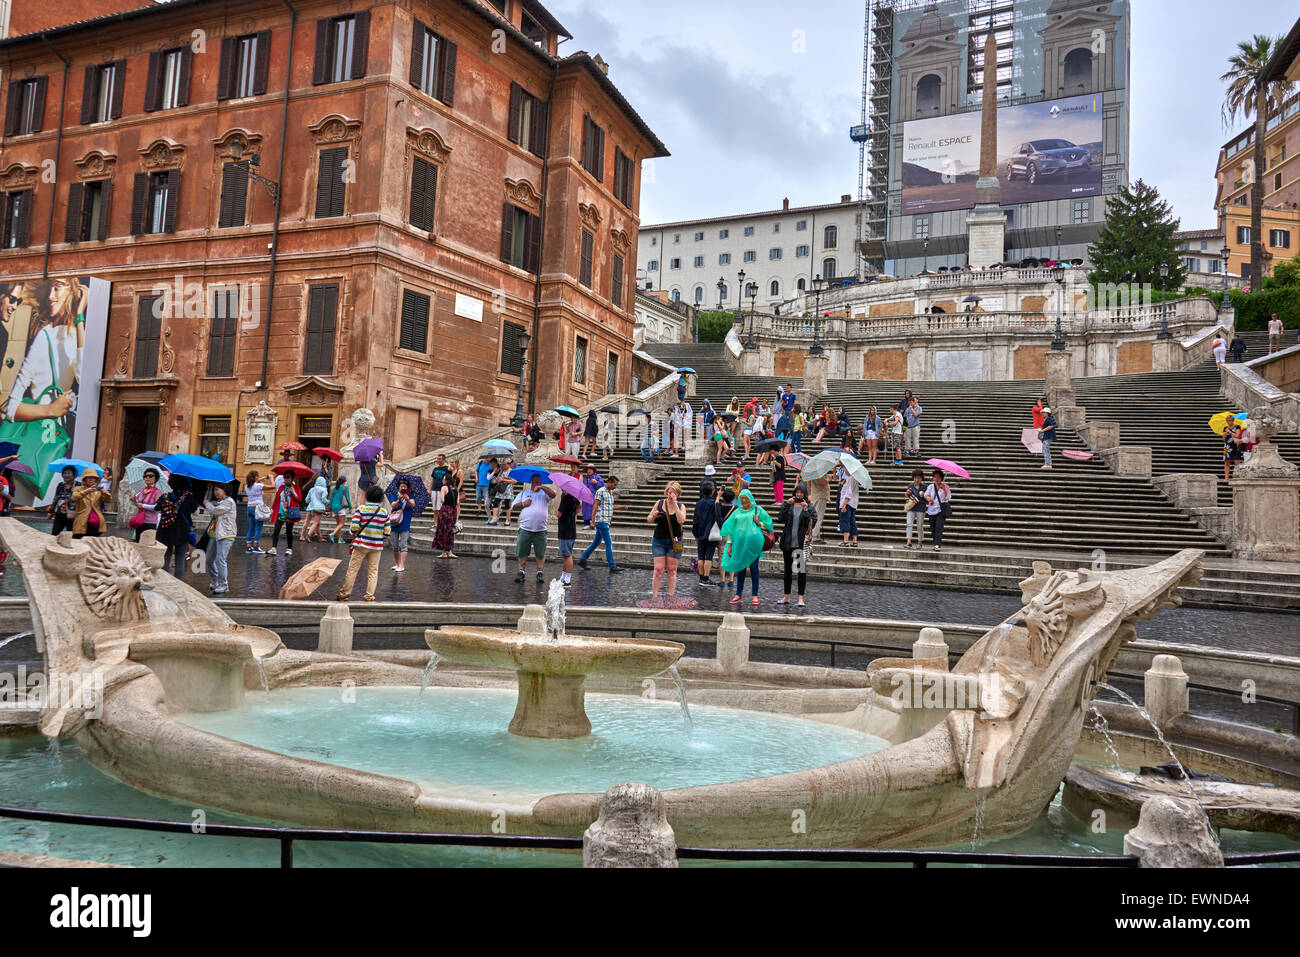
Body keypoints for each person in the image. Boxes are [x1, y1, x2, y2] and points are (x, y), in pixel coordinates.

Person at [337, 485, 392, 603]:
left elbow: (354, 527)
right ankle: (369, 596)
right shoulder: (384, 513)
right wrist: (377, 536)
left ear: (367, 496)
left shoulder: (361, 509)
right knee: (373, 571)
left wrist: (354, 533)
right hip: (376, 546)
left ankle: (344, 594)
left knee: (353, 569)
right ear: (381, 498)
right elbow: (387, 533)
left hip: (361, 544)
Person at [721, 489, 772, 607]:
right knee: (740, 569)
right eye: (742, 498)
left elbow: (768, 525)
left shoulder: (757, 510)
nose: (744, 500)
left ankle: (755, 595)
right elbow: (731, 530)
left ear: (750, 498)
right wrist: (729, 545)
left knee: (754, 569)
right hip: (739, 545)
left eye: (746, 498)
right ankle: (738, 594)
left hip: (753, 545)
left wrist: (759, 523)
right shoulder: (737, 511)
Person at [777, 483, 815, 607]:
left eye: (801, 493)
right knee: (787, 570)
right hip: (788, 542)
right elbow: (780, 518)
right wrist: (786, 504)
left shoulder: (809, 507)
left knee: (801, 571)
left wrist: (805, 510)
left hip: (800, 543)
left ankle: (800, 598)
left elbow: (811, 522)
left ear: (805, 494)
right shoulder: (790, 504)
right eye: (797, 492)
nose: (799, 494)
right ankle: (786, 596)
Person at [512, 474, 556, 583]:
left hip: (540, 529)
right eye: (536, 481)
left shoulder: (544, 494)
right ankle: (521, 571)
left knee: (540, 553)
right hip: (525, 528)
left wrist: (543, 487)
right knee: (522, 551)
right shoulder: (523, 493)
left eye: (539, 482)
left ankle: (539, 572)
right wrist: (523, 504)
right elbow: (513, 506)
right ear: (531, 482)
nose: (537, 483)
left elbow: (554, 494)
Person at [579, 474, 626, 573]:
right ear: (609, 482)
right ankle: (612, 565)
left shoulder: (610, 492)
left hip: (606, 521)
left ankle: (583, 560)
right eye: (615, 484)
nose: (615, 486)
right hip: (601, 521)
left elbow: (609, 506)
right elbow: (595, 506)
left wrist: (621, 507)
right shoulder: (600, 491)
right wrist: (592, 521)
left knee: (596, 542)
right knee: (608, 543)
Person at [648, 481, 687, 597]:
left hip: (675, 542)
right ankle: (654, 596)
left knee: (672, 570)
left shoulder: (681, 506)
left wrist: (675, 504)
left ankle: (671, 596)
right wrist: (653, 516)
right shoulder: (660, 503)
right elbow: (649, 519)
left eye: (673, 493)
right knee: (658, 569)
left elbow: (681, 520)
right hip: (659, 540)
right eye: (669, 492)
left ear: (678, 494)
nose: (670, 495)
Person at [156, 477, 196, 578]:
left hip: (165, 531)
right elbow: (194, 511)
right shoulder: (188, 497)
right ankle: (178, 584)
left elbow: (156, 507)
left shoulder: (165, 496)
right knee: (180, 560)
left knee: (165, 558)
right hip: (182, 532)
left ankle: (164, 582)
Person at [203, 483, 237, 594]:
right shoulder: (218, 502)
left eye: (217, 490)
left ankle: (224, 584)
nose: (215, 492)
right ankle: (215, 580)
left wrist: (207, 504)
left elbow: (214, 510)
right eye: (214, 490)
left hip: (226, 534)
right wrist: (207, 493)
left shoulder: (229, 502)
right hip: (215, 534)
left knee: (220, 559)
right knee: (208, 559)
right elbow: (211, 505)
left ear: (225, 490)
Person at [692, 480, 722, 586]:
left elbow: (695, 520)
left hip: (700, 532)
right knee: (708, 556)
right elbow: (718, 516)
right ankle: (706, 578)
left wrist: (695, 533)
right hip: (711, 533)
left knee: (701, 556)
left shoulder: (698, 503)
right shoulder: (714, 503)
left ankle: (701, 578)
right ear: (713, 491)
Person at [433, 458, 462, 558]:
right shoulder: (455, 490)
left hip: (445, 510)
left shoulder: (444, 488)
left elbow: (442, 500)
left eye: (443, 478)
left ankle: (444, 553)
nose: (442, 480)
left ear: (446, 480)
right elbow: (458, 502)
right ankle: (450, 551)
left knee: (443, 530)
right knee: (450, 531)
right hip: (453, 511)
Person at [383, 478, 414, 572]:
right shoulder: (394, 495)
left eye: (405, 487)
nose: (403, 488)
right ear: (398, 488)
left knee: (403, 544)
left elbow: (413, 505)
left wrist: (407, 499)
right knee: (395, 545)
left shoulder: (411, 495)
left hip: (405, 522)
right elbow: (393, 506)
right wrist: (399, 500)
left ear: (408, 488)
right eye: (401, 487)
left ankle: (402, 565)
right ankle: (397, 564)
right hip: (394, 522)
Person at [556, 476, 581, 588]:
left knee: (567, 555)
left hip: (565, 529)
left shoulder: (566, 498)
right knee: (566, 554)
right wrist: (572, 514)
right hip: (571, 528)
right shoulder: (574, 497)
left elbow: (559, 514)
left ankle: (568, 579)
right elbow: (579, 507)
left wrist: (558, 511)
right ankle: (564, 576)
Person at [267, 475, 302, 555]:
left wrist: (293, 491)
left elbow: (299, 499)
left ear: (292, 478)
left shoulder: (296, 487)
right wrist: (272, 509)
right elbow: (277, 499)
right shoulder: (281, 487)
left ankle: (289, 548)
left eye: (288, 477)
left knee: (289, 531)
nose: (286, 479)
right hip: (281, 512)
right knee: (276, 530)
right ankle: (274, 548)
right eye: (285, 477)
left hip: (290, 512)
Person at [130, 467, 164, 542]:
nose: (147, 477)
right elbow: (137, 504)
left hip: (150, 522)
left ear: (156, 479)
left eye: (151, 476)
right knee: (138, 542)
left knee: (147, 545)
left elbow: (157, 507)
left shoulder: (157, 492)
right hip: (140, 521)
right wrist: (134, 501)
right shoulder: (142, 491)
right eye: (146, 476)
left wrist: (143, 506)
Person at [70, 468, 105, 539]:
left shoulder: (98, 490)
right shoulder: (78, 488)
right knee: (77, 542)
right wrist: (87, 491)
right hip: (81, 522)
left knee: (92, 543)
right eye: (89, 477)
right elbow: (74, 497)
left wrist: (106, 493)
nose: (91, 479)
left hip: (95, 522)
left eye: (93, 478)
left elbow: (108, 500)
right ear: (84, 479)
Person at [924, 468, 952, 552]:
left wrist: (944, 489)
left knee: (939, 527)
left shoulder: (946, 486)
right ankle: (935, 543)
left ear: (941, 478)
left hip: (941, 510)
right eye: (935, 477)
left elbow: (948, 498)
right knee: (933, 528)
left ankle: (937, 544)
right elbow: (926, 495)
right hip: (931, 510)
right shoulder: (930, 486)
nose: (936, 478)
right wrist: (930, 499)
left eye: (938, 477)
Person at [47, 465, 77, 536]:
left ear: (73, 475)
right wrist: (51, 511)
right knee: (54, 534)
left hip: (72, 514)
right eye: (65, 473)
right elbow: (56, 498)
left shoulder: (78, 485)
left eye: (69, 473)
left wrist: (75, 491)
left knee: (72, 536)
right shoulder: (60, 485)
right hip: (60, 513)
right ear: (62, 475)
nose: (67, 475)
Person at [837, 463, 859, 547]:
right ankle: (854, 541)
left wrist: (843, 505)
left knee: (845, 521)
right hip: (853, 504)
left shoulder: (850, 479)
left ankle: (845, 541)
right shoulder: (855, 479)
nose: (845, 470)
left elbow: (848, 493)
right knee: (852, 521)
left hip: (847, 503)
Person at [243, 471, 266, 552]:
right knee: (259, 528)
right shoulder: (258, 486)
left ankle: (249, 546)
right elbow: (273, 486)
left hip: (249, 507)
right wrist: (271, 479)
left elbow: (255, 483)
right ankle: (256, 546)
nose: (258, 477)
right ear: (255, 477)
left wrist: (261, 479)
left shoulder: (247, 486)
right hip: (257, 508)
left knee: (251, 527)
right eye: (257, 476)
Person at [904, 468, 927, 550]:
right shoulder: (910, 485)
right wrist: (907, 493)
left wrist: (924, 495)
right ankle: (909, 542)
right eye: (915, 477)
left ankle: (920, 542)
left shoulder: (925, 487)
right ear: (913, 478)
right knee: (909, 524)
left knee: (919, 526)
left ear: (922, 478)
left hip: (921, 508)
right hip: (911, 507)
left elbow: (927, 499)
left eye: (919, 478)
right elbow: (907, 496)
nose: (917, 479)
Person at [302, 475, 328, 542]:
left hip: (311, 507)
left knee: (315, 523)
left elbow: (307, 500)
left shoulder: (312, 489)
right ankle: (308, 535)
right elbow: (324, 499)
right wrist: (328, 502)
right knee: (316, 523)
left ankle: (319, 537)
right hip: (319, 508)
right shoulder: (324, 490)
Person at [328, 476, 352, 542]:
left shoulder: (334, 489)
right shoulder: (345, 488)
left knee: (338, 524)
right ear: (344, 481)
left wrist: (330, 510)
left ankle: (340, 539)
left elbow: (331, 500)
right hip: (341, 507)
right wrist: (350, 507)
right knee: (342, 524)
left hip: (334, 507)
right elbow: (347, 498)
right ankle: (332, 534)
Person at [1039, 405, 1057, 470]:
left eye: (1044, 413)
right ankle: (1048, 463)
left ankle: (1047, 464)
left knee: (1045, 450)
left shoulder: (1049, 419)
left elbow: (1051, 426)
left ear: (1047, 413)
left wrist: (1043, 430)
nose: (1043, 414)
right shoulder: (1047, 419)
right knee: (1045, 450)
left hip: (1048, 436)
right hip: (1046, 436)